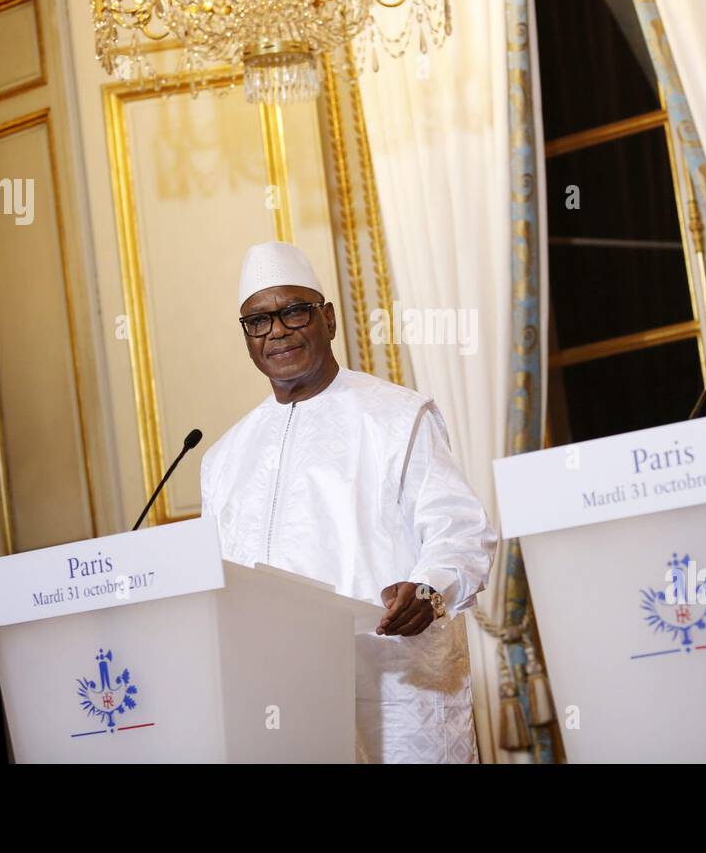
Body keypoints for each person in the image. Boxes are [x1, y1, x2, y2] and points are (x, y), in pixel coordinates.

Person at [199, 241, 497, 763]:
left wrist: (429, 590)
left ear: (328, 319)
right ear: (246, 337)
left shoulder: (398, 416)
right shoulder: (224, 457)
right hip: (283, 699)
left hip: (395, 692)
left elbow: (460, 532)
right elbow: (214, 584)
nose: (278, 331)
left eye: (294, 311)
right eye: (259, 321)